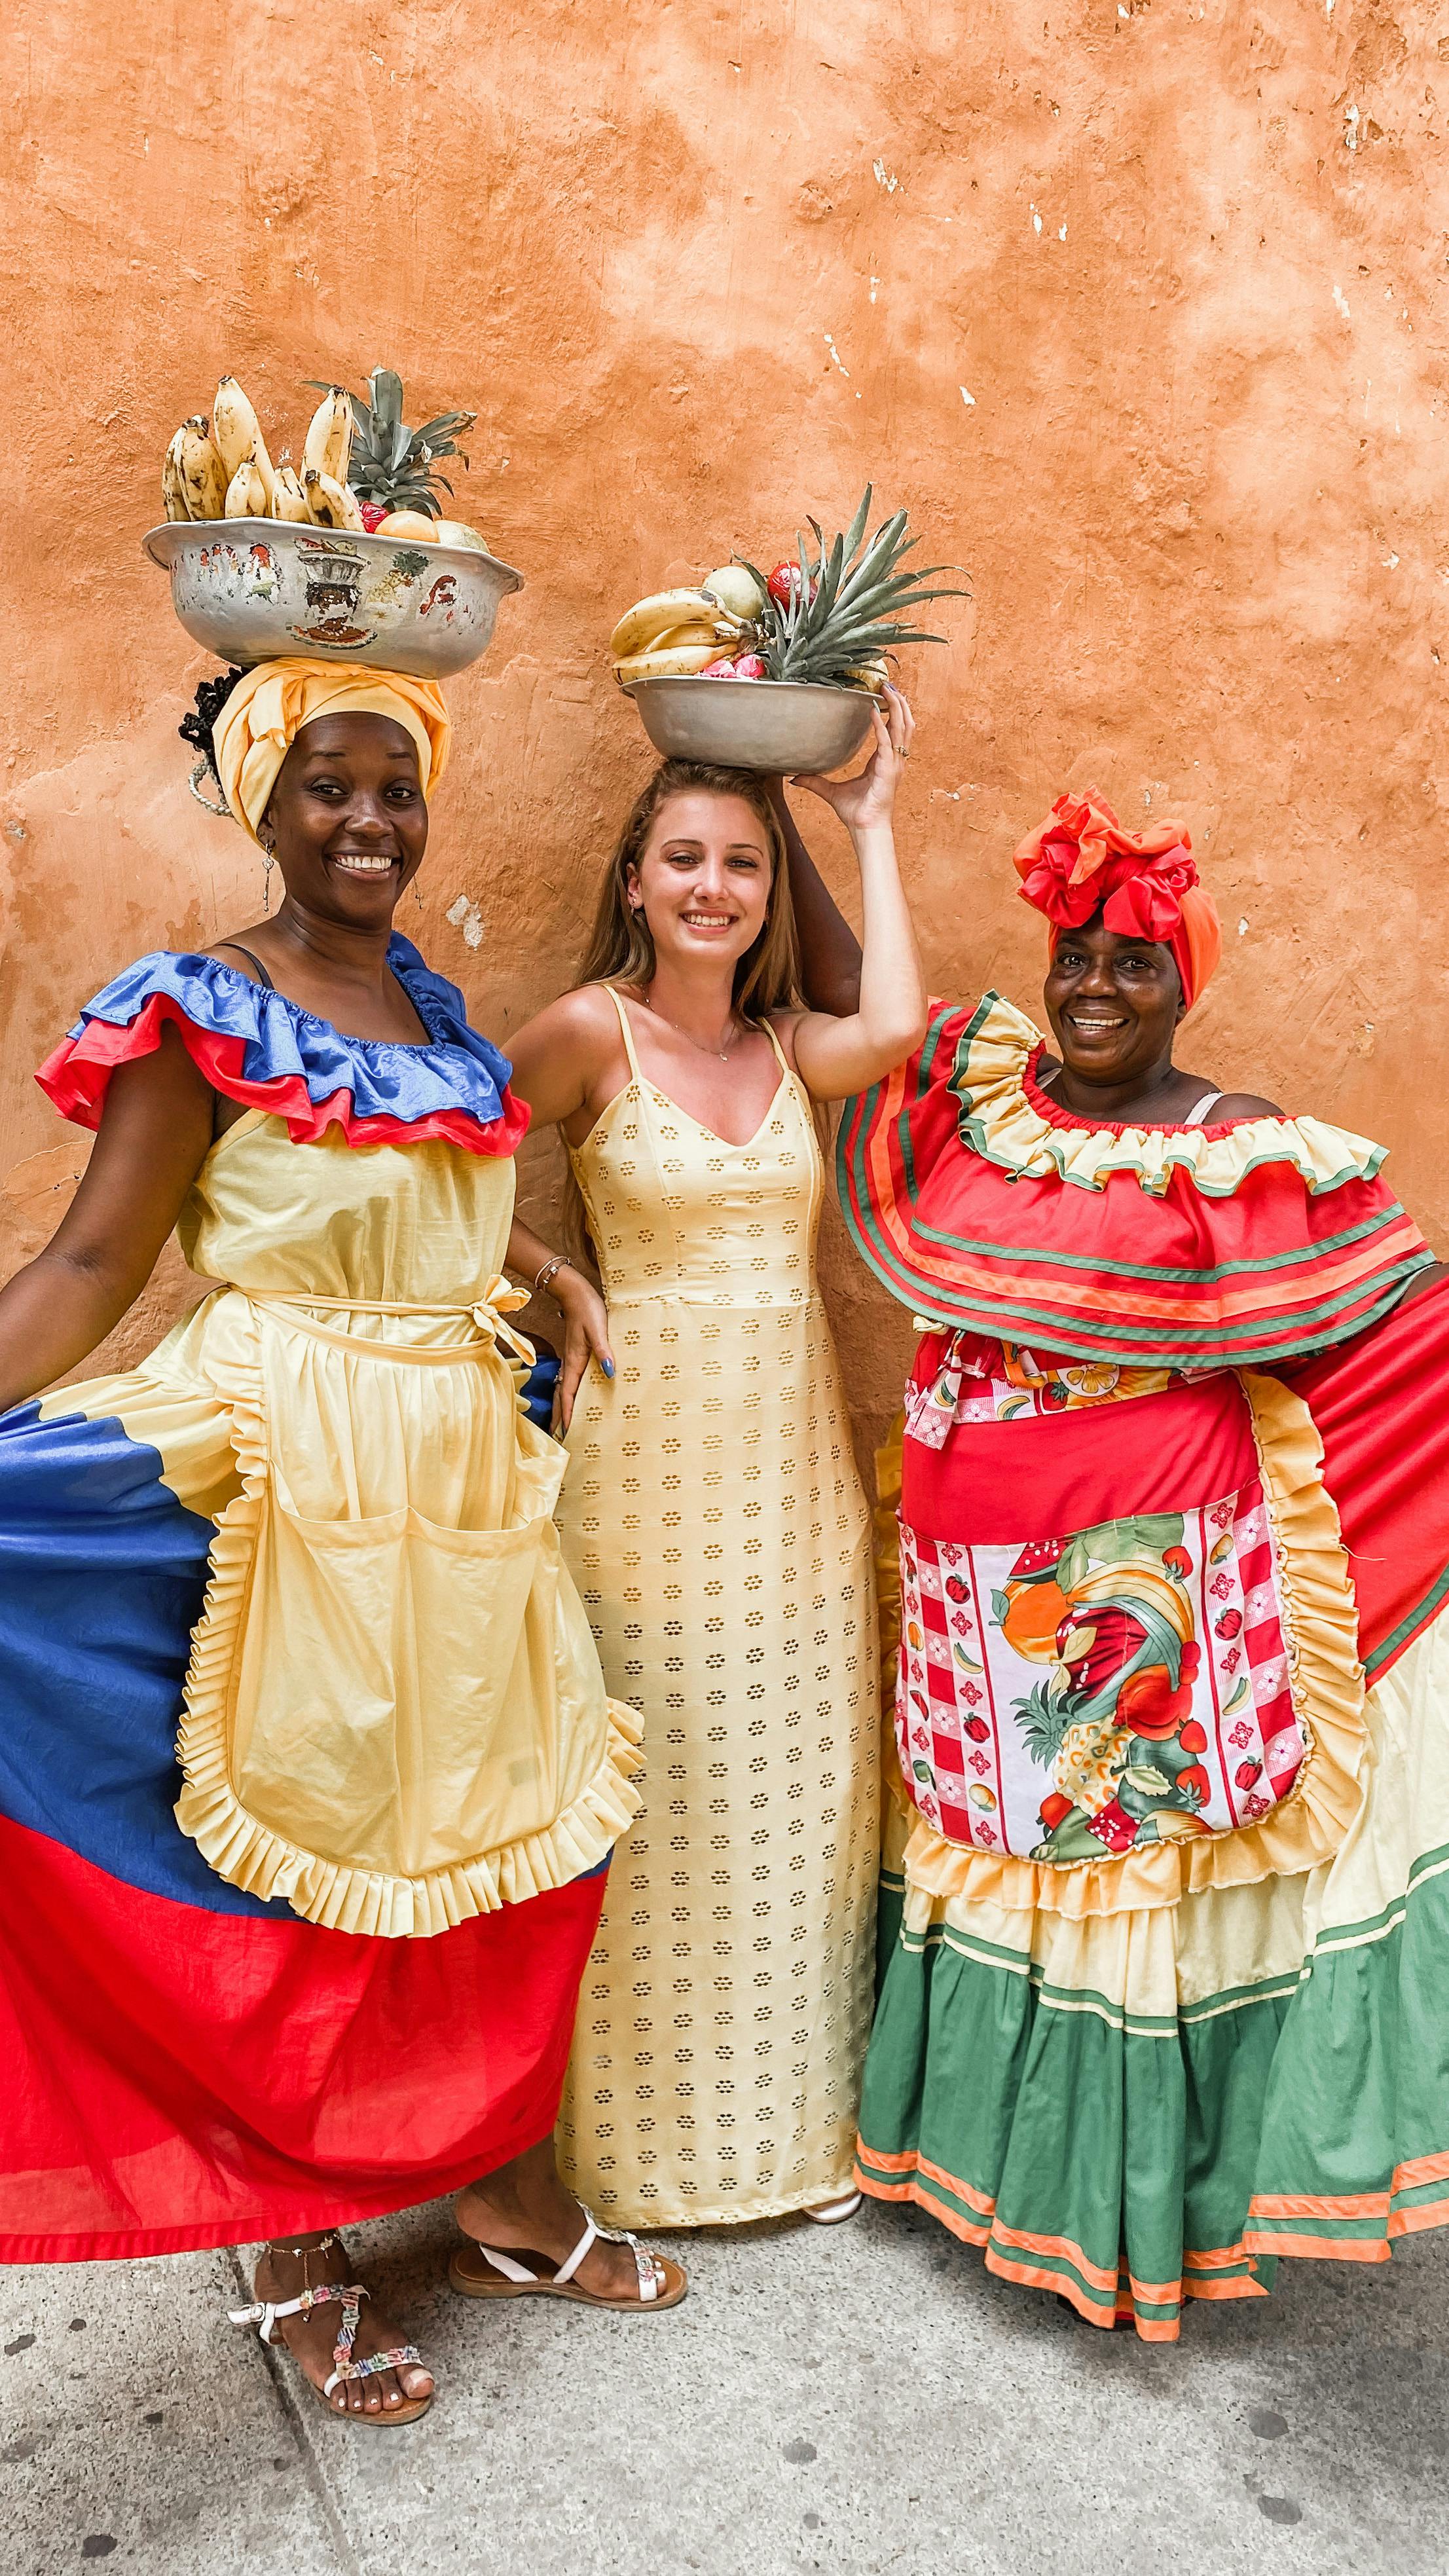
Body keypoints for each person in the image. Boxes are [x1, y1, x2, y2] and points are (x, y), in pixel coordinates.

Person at [0, 657, 686, 2426]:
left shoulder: (430, 1011)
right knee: (278, 1866)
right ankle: (291, 2249)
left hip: (456, 1489)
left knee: (509, 1850)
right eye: (327, 787)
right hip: (283, 1474)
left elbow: (417, 1198)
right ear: (259, 801)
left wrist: (525, 1269)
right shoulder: (202, 1009)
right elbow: (92, 1265)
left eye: (396, 788)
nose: (368, 821)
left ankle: (506, 2199)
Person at [788, 783, 1449, 2338]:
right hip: (982, 1589)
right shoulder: (991, 1099)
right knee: (1000, 1861)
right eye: (1075, 953)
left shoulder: (1236, 1152)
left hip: (1153, 1594)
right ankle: (985, 2174)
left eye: (1135, 964)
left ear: (1184, 984)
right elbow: (839, 978)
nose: (1094, 985)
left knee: (1123, 1888)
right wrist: (793, 785)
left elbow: (1404, 1322)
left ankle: (1118, 2209)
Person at [502, 690, 927, 2228]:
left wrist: (864, 817)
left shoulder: (782, 1043)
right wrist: (551, 1280)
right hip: (641, 1468)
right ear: (637, 878)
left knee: (802, 1783)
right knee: (660, 1780)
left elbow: (893, 1028)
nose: (712, 887)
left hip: (792, 1468)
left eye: (740, 865)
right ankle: (628, 2159)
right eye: (683, 857)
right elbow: (439, 1171)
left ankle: (793, 2141)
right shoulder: (583, 1031)